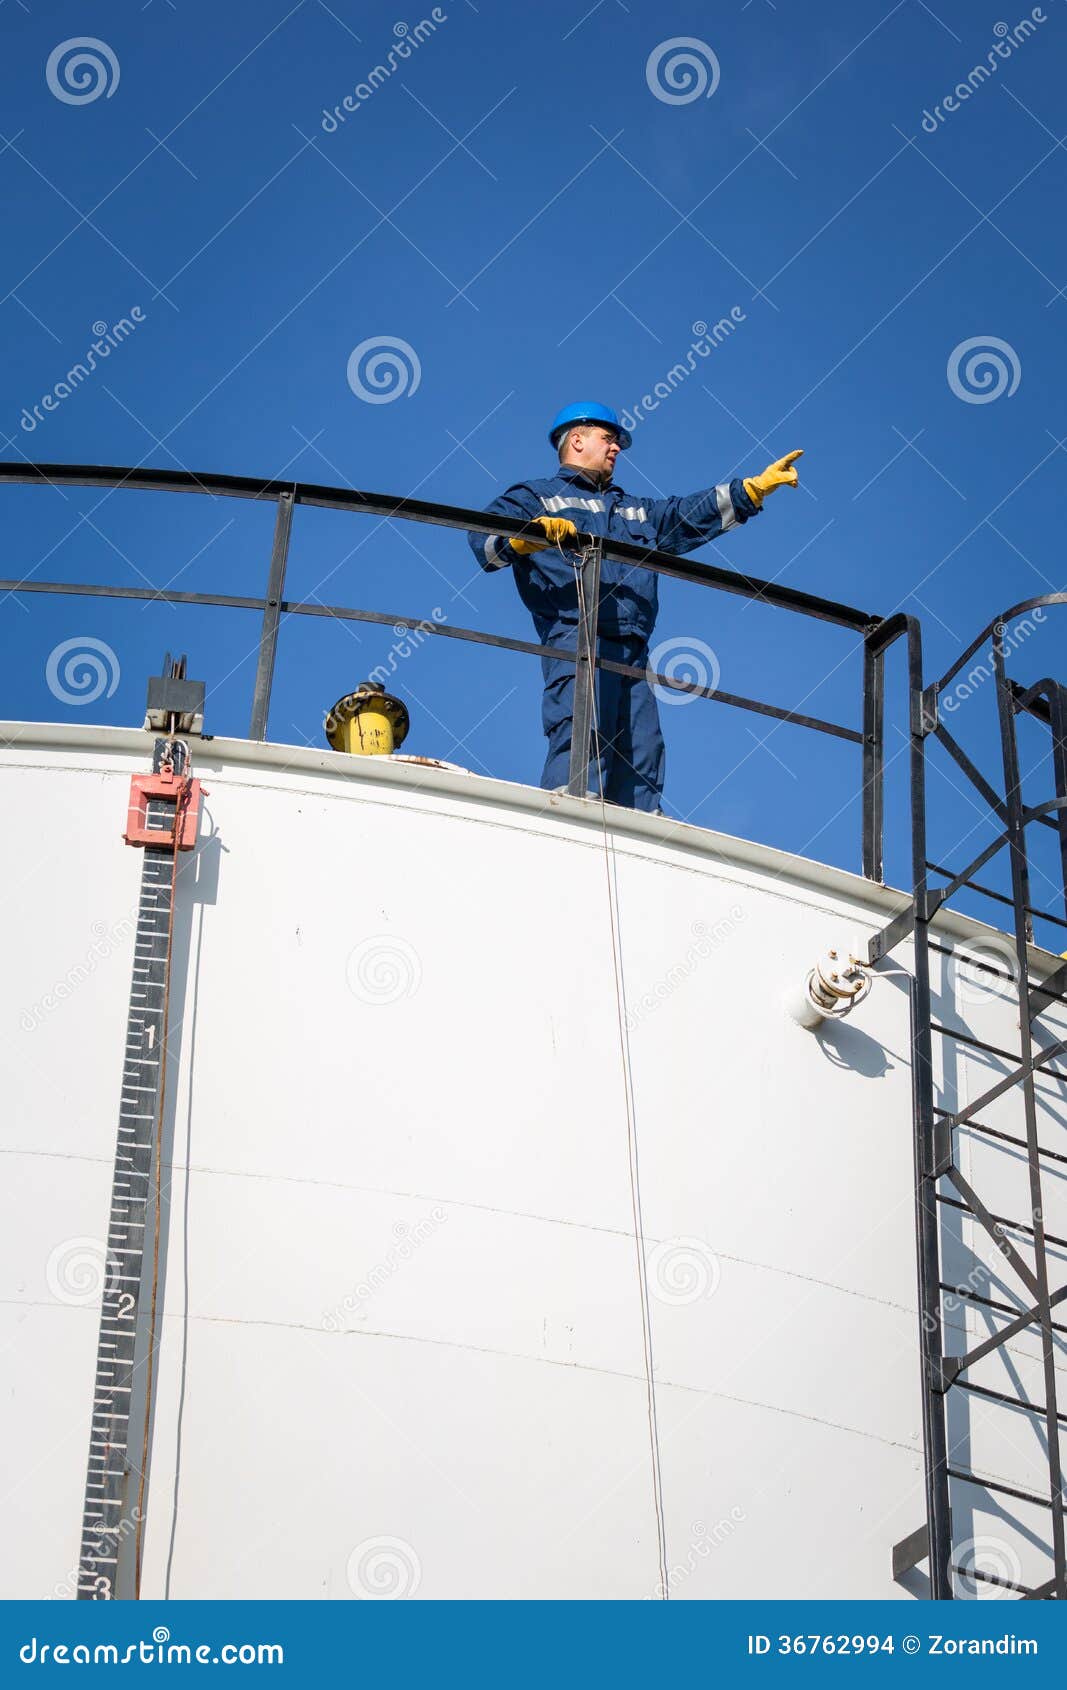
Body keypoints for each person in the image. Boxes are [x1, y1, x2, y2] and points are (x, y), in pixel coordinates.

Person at [467, 402, 803, 812]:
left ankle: (639, 836)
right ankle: (570, 820)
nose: (616, 450)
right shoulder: (536, 497)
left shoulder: (635, 509)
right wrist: (525, 538)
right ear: (577, 439)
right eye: (608, 439)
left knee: (642, 752)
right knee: (582, 734)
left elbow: (687, 516)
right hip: (575, 636)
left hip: (632, 650)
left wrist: (750, 491)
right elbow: (484, 544)